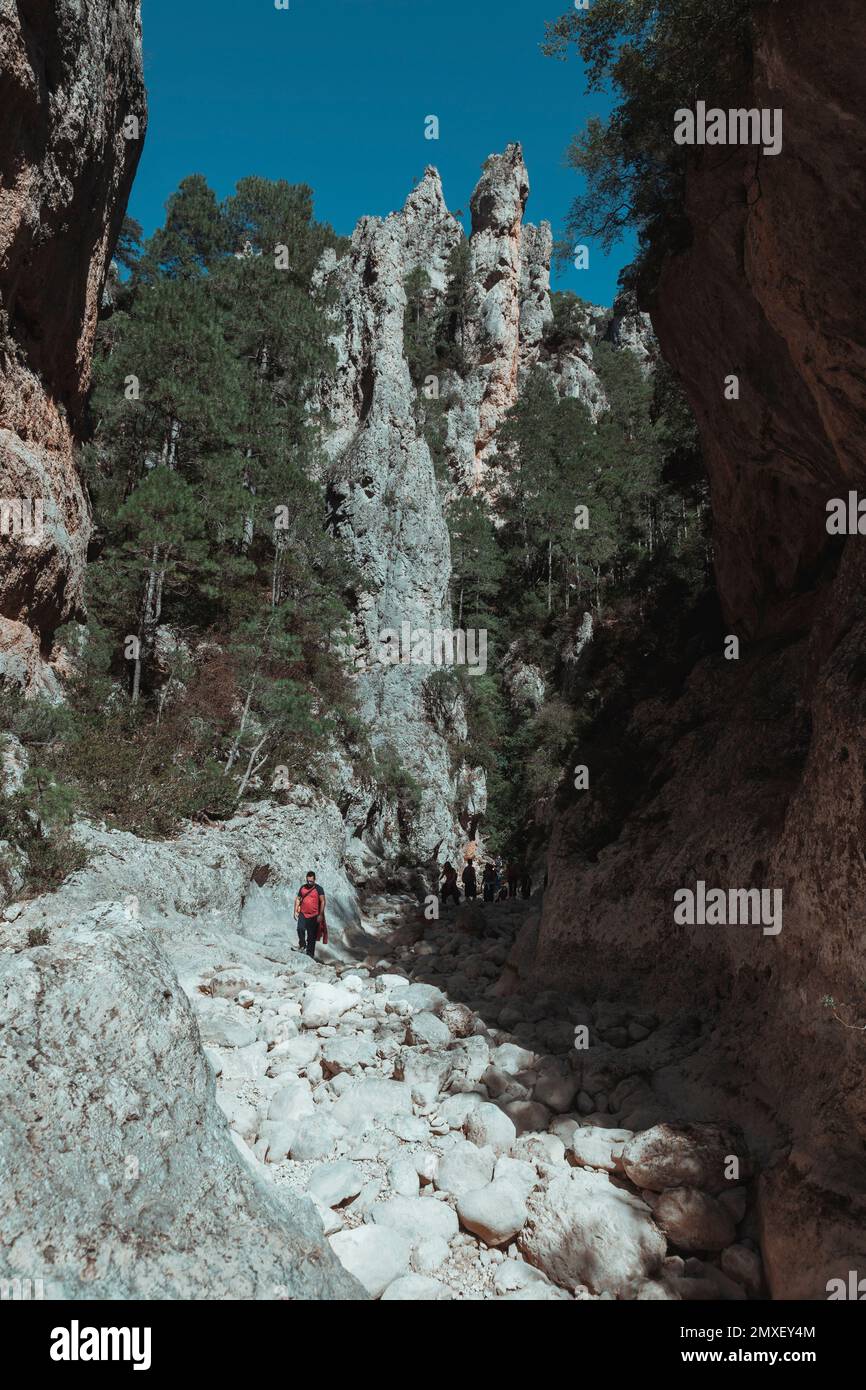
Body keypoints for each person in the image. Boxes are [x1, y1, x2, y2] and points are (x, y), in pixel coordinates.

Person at [294, 870, 326, 959]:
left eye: (311, 881)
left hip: (314, 915)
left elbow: (323, 901)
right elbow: (298, 899)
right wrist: (295, 911)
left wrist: (321, 914)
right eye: (308, 880)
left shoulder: (319, 889)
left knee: (311, 937)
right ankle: (302, 945)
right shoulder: (303, 888)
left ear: (314, 880)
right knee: (300, 929)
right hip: (303, 914)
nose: (309, 882)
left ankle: (310, 955)